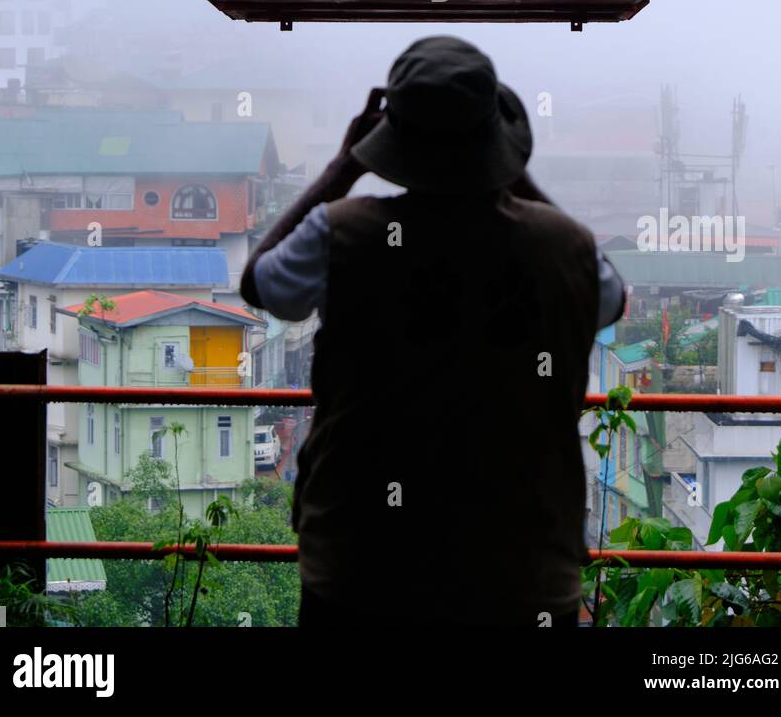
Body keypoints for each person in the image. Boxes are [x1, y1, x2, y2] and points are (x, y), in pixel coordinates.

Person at [240, 36, 626, 628]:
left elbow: (258, 285)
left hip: (363, 565)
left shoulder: (342, 234)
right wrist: (509, 169)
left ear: (389, 141)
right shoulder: (561, 248)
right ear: (498, 142)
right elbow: (612, 300)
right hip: (522, 572)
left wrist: (344, 168)